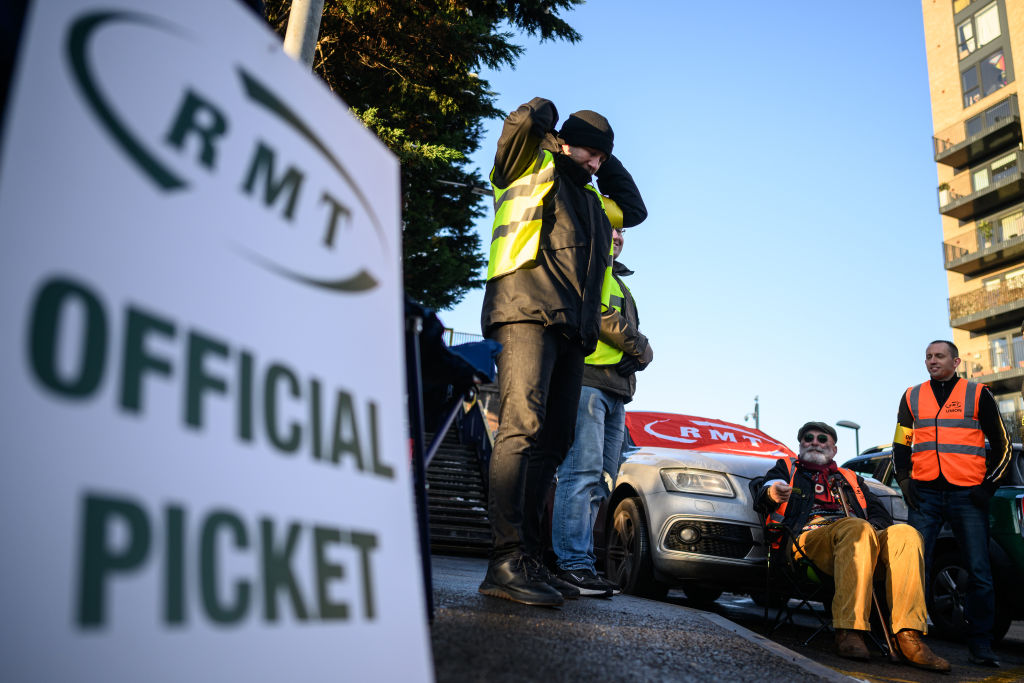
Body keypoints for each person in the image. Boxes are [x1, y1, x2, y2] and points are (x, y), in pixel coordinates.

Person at [478, 97, 646, 607]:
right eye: (589, 153)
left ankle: (529, 556)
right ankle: (504, 559)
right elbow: (524, 121)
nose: (595, 165)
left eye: (602, 159)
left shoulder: (596, 201)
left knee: (554, 441)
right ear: (566, 142)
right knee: (522, 429)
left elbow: (635, 209)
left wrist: (600, 155)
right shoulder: (532, 163)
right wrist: (561, 131)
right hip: (526, 309)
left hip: (572, 329)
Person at [754, 422, 950, 672]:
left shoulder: (851, 478)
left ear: (834, 449)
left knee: (906, 534)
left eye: (822, 439)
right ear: (800, 445)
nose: (814, 442)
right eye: (808, 438)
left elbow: (880, 515)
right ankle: (849, 630)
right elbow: (763, 492)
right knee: (855, 528)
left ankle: (908, 635)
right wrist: (772, 493)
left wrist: (872, 528)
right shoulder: (786, 468)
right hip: (807, 544)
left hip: (858, 541)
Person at [550, 200, 652, 596]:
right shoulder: (590, 266)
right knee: (582, 473)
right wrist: (642, 348)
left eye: (621, 231)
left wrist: (634, 357)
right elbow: (599, 317)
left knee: (603, 481)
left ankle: (582, 563)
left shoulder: (619, 281)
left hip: (614, 391)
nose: (617, 236)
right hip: (587, 383)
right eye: (610, 227)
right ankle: (571, 564)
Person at [893, 339, 1011, 667]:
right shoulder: (912, 396)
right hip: (925, 494)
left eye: (939, 356)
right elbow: (901, 442)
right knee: (915, 565)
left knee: (979, 570)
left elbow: (1003, 446)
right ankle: (909, 637)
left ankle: (981, 645)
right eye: (928, 356)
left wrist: (988, 487)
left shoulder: (977, 394)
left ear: (955, 361)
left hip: (967, 495)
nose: (932, 361)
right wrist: (904, 480)